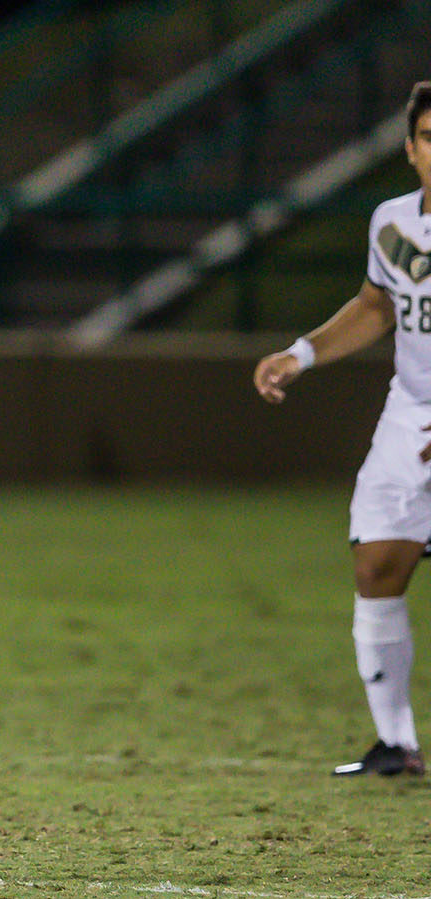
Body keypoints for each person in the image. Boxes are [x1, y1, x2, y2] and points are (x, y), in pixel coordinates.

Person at [254, 81, 431, 778]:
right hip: (411, 412)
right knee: (377, 564)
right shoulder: (392, 222)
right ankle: (396, 745)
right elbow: (376, 306)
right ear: (410, 149)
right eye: (430, 139)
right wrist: (299, 355)